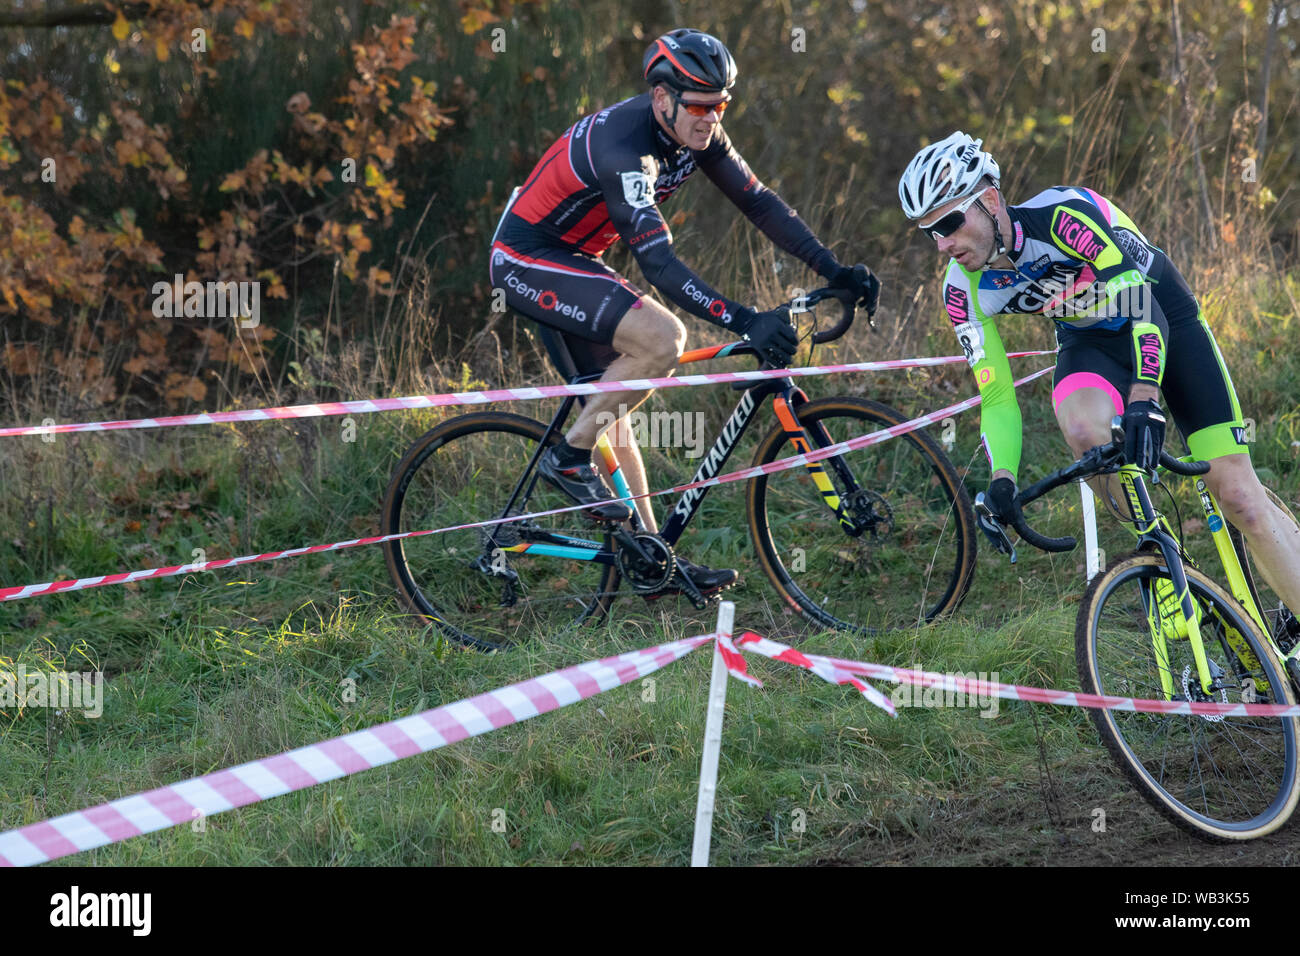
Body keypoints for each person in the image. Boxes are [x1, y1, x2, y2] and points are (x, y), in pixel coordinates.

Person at [489, 28, 880, 598]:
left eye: (720, 105)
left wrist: (833, 269)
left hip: (577, 256)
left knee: (613, 412)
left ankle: (653, 561)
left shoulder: (699, 133)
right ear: (661, 98)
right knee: (661, 340)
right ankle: (567, 458)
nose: (710, 118)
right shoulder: (625, 148)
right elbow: (660, 264)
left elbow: (759, 201)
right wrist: (745, 320)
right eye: (698, 105)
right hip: (526, 258)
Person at [897, 131, 1300, 620]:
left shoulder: (1065, 217)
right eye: (929, 233)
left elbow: (1144, 307)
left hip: (1161, 316)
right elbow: (998, 397)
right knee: (1085, 432)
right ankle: (1167, 564)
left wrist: (1145, 398)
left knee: (1239, 496)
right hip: (1090, 342)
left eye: (949, 223)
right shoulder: (962, 288)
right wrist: (1001, 478)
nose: (942, 245)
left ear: (988, 199)